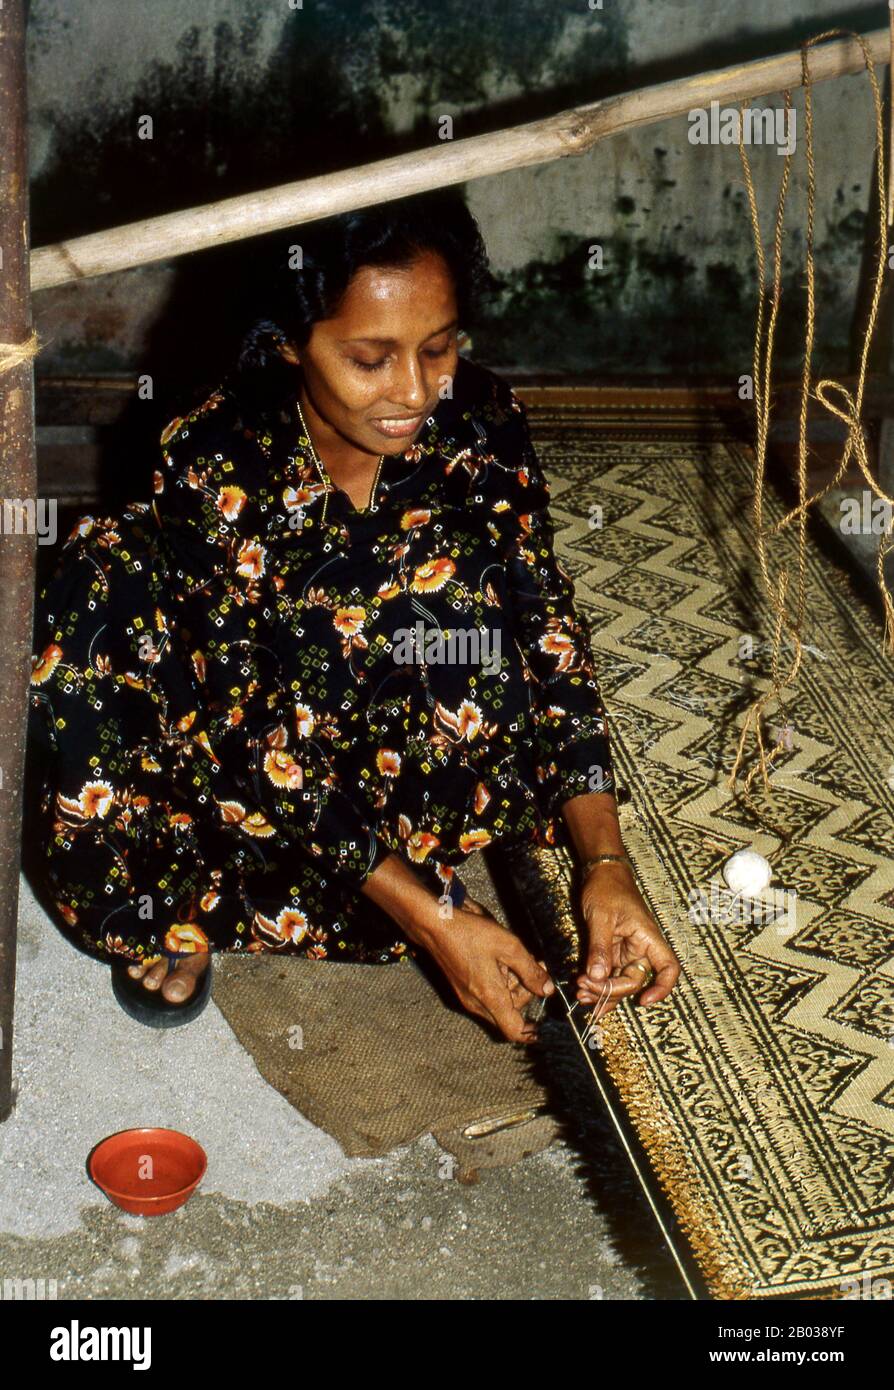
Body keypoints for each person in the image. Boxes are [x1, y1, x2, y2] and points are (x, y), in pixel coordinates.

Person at [27, 189, 680, 1039]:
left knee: (463, 605)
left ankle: (366, 891)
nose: (414, 390)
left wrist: (605, 862)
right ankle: (197, 899)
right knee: (100, 578)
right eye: (371, 359)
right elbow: (245, 727)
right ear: (292, 343)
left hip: (396, 749)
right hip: (249, 747)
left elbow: (546, 634)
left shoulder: (480, 423)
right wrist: (437, 918)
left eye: (439, 348)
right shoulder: (212, 452)